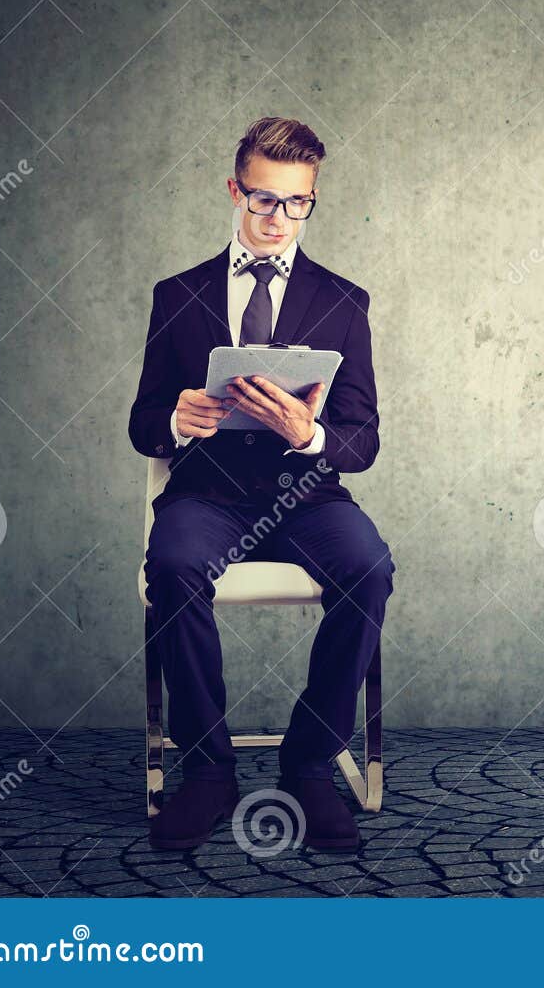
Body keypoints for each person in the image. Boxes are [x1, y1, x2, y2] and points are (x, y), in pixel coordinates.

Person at [129, 116, 392, 850]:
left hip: (306, 496)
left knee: (369, 567)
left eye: (297, 202)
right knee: (175, 562)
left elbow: (361, 437)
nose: (279, 219)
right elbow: (142, 420)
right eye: (263, 199)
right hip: (205, 496)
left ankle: (309, 763)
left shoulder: (345, 301)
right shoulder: (176, 294)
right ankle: (208, 771)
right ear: (235, 190)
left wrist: (307, 434)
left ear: (311, 199)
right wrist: (177, 420)